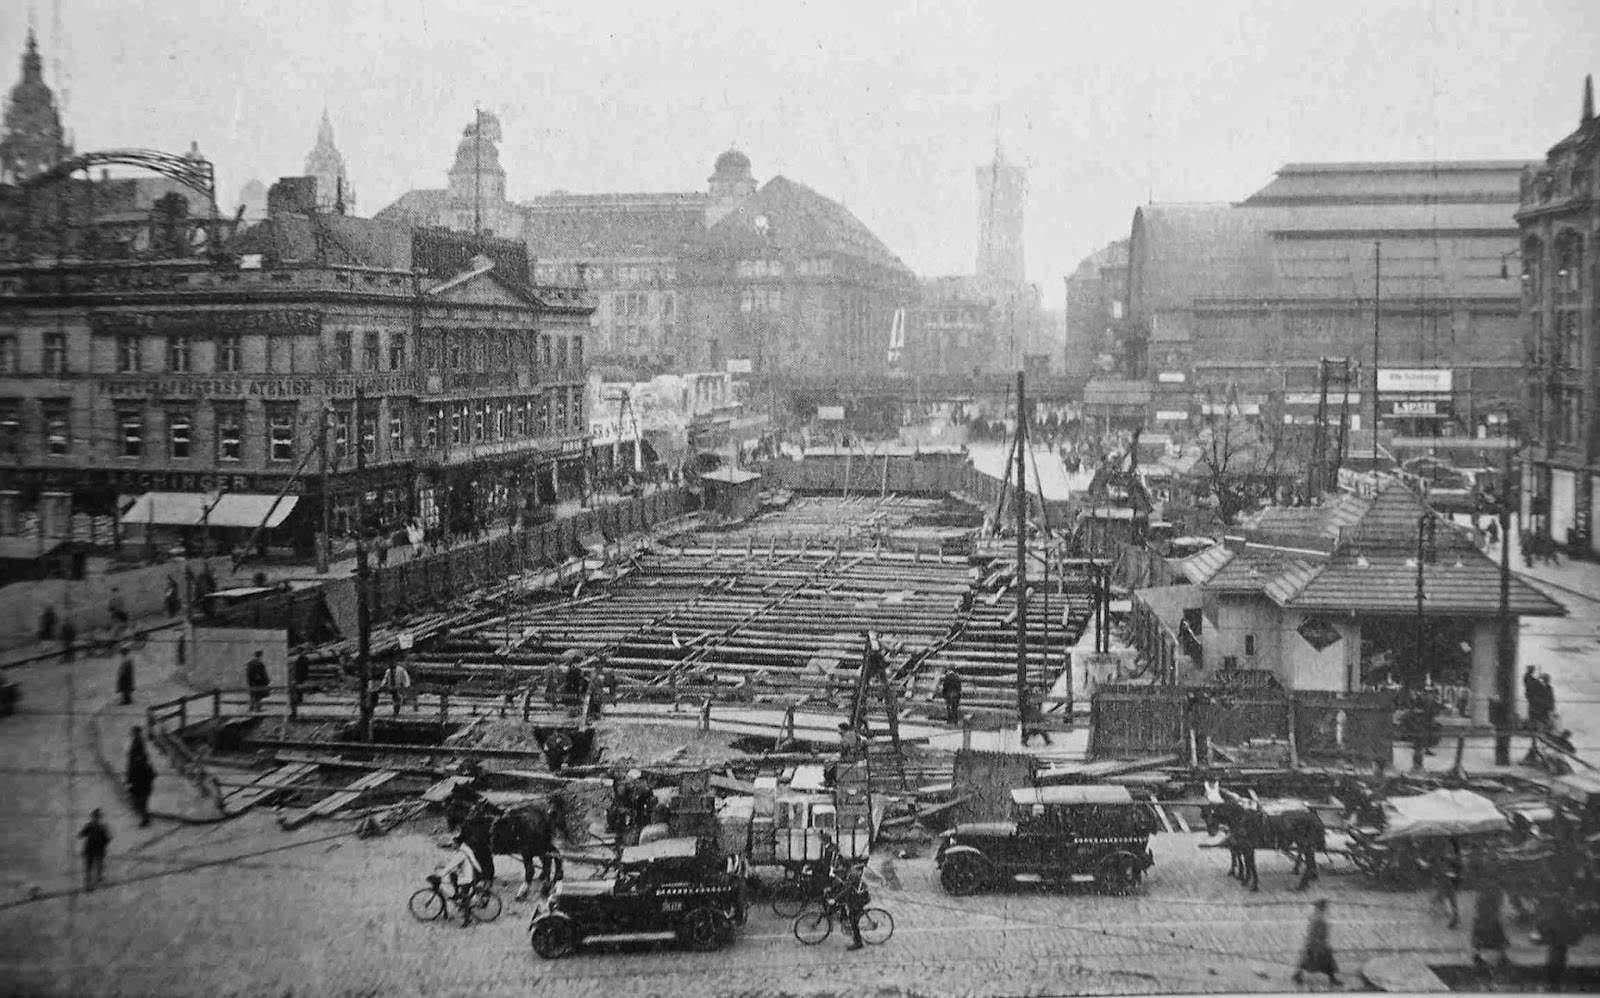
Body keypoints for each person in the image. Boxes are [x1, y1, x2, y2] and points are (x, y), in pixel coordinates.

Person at [438, 832, 483, 927]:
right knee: (452, 876)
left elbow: (452, 864)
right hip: (466, 875)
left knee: (465, 899)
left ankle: (467, 920)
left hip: (466, 878)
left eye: (453, 843)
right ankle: (457, 895)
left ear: (458, 843)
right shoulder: (463, 849)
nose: (452, 845)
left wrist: (442, 872)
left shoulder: (461, 854)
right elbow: (452, 863)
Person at [1293, 898, 1340, 986]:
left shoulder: (1318, 916)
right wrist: (1314, 941)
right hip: (1316, 943)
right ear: (1321, 907)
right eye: (1324, 907)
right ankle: (1297, 975)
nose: (1326, 908)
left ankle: (1297, 975)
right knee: (1314, 959)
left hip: (1318, 942)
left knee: (1320, 960)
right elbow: (1314, 931)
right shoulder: (1318, 917)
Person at [1471, 878, 1511, 972]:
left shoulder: (1490, 922)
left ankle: (1488, 962)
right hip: (1488, 946)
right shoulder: (1484, 921)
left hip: (1489, 945)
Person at [125, 727, 155, 827]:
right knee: (141, 802)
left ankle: (145, 819)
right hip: (142, 785)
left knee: (140, 802)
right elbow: (152, 774)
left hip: (141, 785)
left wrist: (128, 781)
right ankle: (145, 817)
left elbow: (151, 774)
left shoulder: (136, 762)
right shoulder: (137, 744)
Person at [1432, 838, 1463, 929]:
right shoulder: (1444, 856)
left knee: (1447, 898)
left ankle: (1453, 917)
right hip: (1444, 879)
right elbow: (1440, 867)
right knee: (1443, 898)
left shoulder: (1455, 857)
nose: (1447, 848)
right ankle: (1453, 916)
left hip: (1449, 881)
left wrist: (1454, 874)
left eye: (1449, 846)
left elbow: (1458, 867)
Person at [78, 808, 111, 891]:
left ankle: (89, 885)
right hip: (99, 850)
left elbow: (81, 834)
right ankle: (97, 879)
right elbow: (107, 839)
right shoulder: (103, 827)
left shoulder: (90, 825)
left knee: (89, 868)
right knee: (98, 865)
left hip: (90, 850)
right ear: (100, 817)